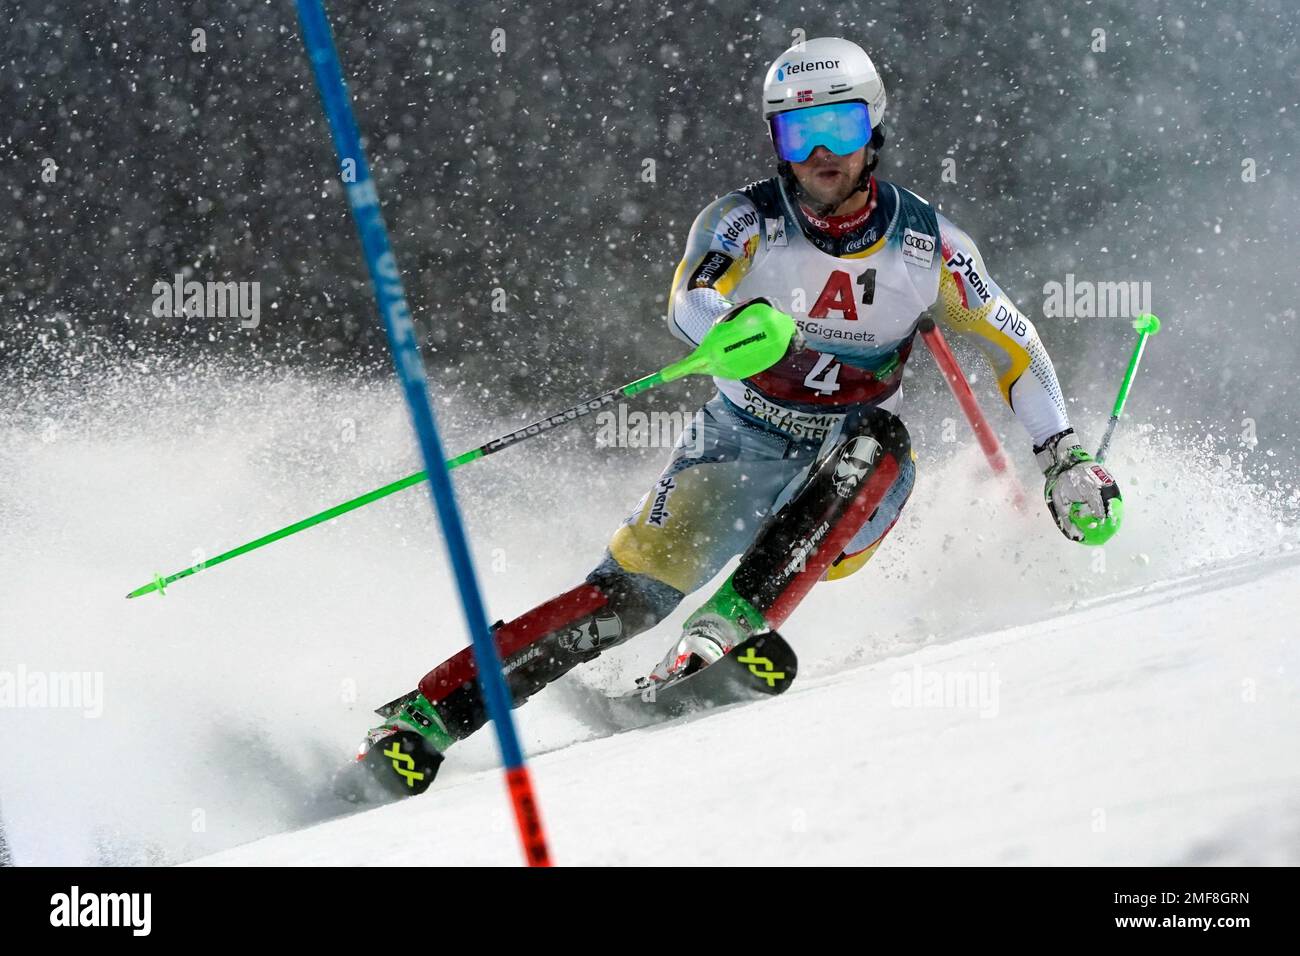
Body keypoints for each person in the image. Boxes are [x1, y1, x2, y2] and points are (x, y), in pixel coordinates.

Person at [348, 36, 1122, 798]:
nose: (823, 153)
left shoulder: (929, 248)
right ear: (777, 142)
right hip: (741, 437)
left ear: (874, 129)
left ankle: (721, 632)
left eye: (842, 128)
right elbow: (693, 293)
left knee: (880, 440)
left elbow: (1013, 343)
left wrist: (1063, 456)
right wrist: (728, 328)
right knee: (622, 600)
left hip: (852, 469)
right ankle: (421, 720)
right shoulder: (744, 221)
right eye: (799, 132)